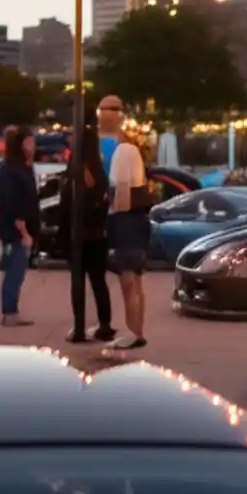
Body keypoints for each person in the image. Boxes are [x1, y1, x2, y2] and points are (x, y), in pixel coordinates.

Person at [99, 95, 149, 351]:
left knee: (128, 281)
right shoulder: (132, 151)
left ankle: (132, 331)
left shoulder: (121, 152)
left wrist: (113, 215)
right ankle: (137, 331)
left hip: (125, 223)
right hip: (137, 223)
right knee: (136, 282)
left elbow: (122, 194)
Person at [59, 118, 115, 342]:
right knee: (98, 282)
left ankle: (80, 325)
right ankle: (104, 324)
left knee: (79, 283)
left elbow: (69, 202)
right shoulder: (97, 169)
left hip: (80, 235)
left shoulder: (78, 168)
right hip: (96, 234)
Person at [0, 127, 41, 327]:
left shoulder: (25, 168)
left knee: (16, 269)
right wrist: (23, 230)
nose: (34, 147)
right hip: (15, 228)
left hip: (22, 226)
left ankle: (11, 309)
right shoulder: (10, 171)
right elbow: (12, 202)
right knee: (15, 270)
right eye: (29, 142)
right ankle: (10, 311)